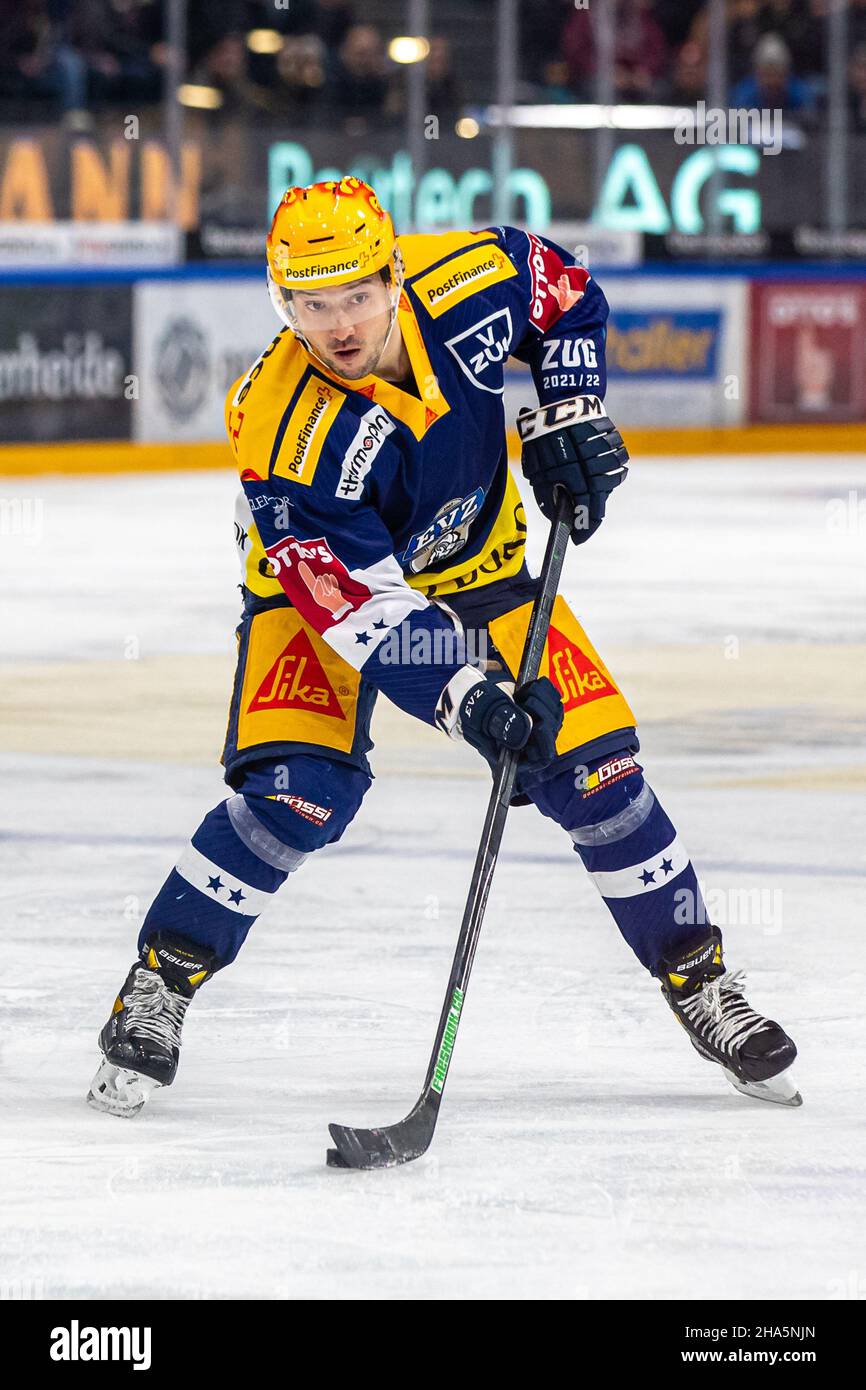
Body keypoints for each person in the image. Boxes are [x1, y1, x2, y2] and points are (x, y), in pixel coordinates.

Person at [88, 178, 800, 1122]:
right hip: (314, 596)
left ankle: (700, 980)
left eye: (354, 294)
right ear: (281, 302)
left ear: (393, 274)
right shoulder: (276, 424)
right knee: (299, 792)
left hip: (483, 559)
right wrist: (469, 699)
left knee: (599, 776)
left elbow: (563, 289)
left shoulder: (471, 276)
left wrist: (570, 411)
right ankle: (162, 980)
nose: (337, 323)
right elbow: (357, 607)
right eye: (310, 302)